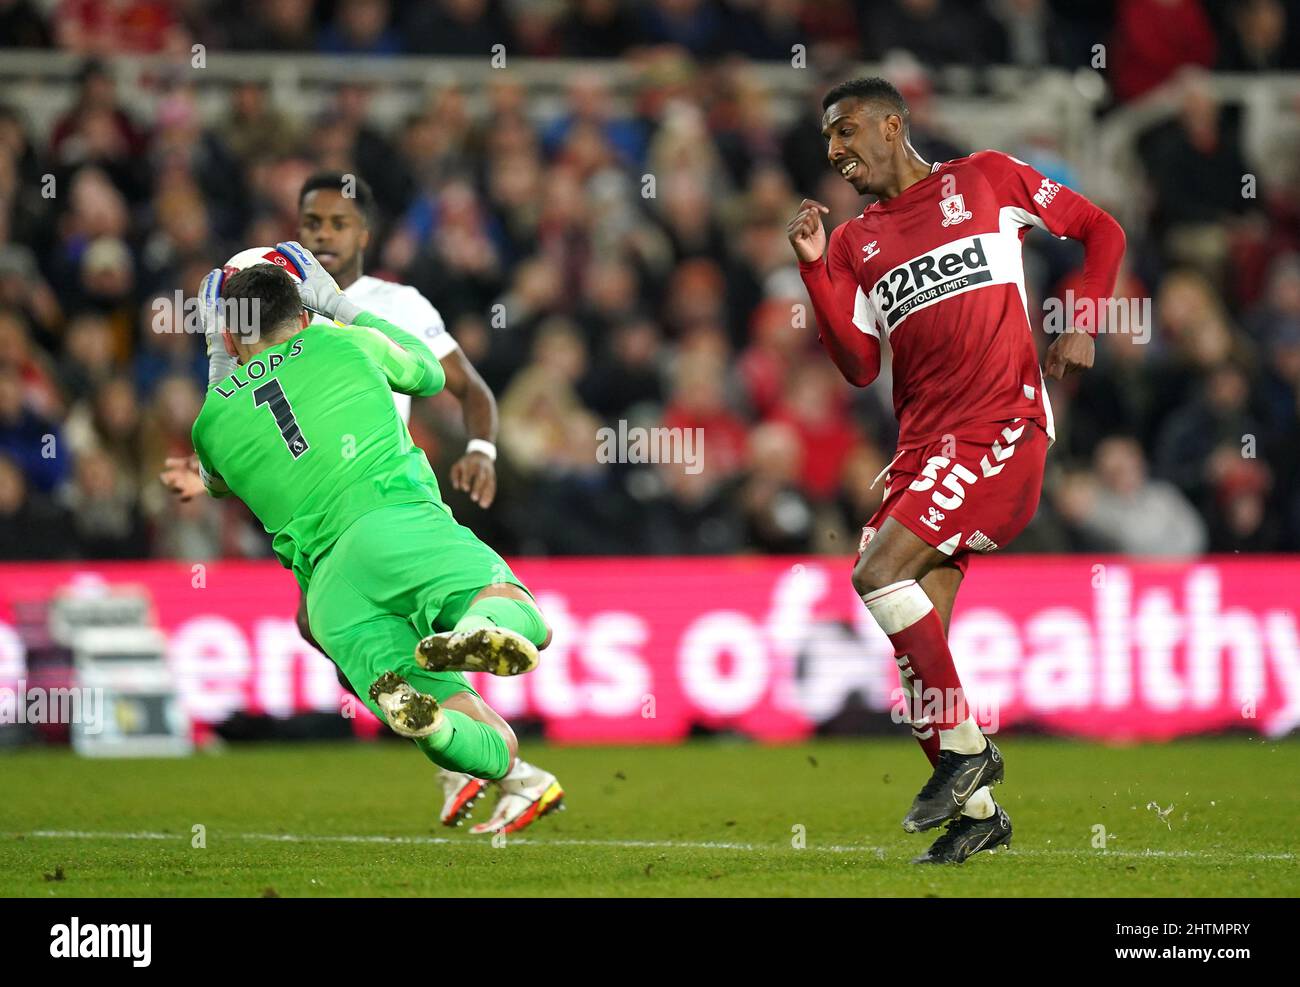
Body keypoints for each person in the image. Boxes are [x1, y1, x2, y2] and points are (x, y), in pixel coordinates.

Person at [787, 77, 1125, 864]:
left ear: (891, 123)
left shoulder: (985, 178)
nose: (834, 152)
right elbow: (860, 365)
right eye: (828, 140)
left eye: (845, 132)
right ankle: (978, 813)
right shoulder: (853, 243)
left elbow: (1100, 229)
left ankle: (971, 756)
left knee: (875, 574)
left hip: (1000, 428)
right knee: (918, 651)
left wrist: (1083, 320)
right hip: (924, 452)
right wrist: (814, 270)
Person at [164, 242, 564, 832]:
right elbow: (427, 372)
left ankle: (442, 734)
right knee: (523, 613)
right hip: (394, 521)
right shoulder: (342, 340)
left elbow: (215, 479)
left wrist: (220, 363)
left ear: (230, 335)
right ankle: (477, 632)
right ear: (303, 314)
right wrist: (341, 304)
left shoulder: (211, 427)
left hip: (330, 593)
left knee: (448, 716)